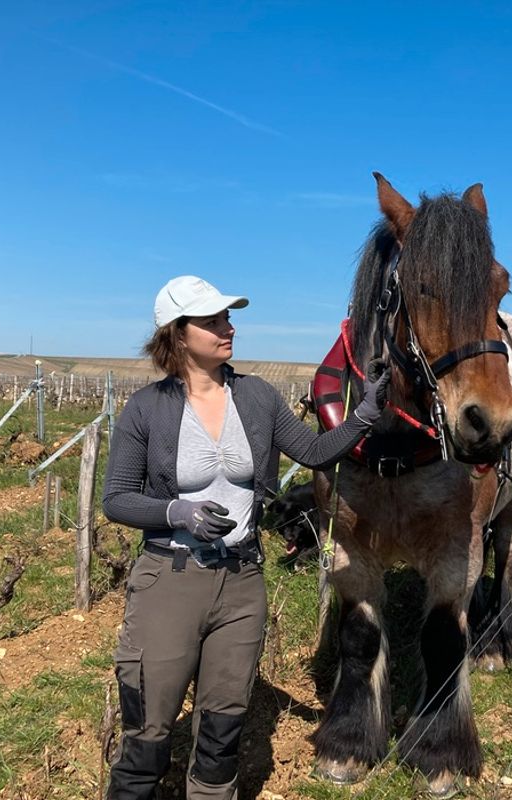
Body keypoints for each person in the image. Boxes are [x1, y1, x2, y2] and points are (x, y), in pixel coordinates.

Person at [102, 275, 388, 800]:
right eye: (212, 321)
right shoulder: (146, 408)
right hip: (170, 579)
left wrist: (365, 414)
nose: (227, 328)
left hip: (241, 581)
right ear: (178, 333)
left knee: (221, 730)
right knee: (149, 730)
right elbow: (116, 498)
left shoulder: (256, 396)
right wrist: (176, 510)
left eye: (227, 318)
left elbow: (315, 452)